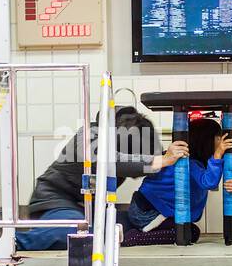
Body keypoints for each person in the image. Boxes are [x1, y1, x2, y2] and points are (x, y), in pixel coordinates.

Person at [17, 105, 186, 250]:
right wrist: (161, 160)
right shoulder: (87, 137)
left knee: (128, 225)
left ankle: (97, 232)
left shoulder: (131, 136)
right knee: (79, 232)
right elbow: (110, 160)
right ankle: (18, 241)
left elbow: (141, 164)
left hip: (91, 211)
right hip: (56, 203)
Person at [124, 116, 232, 242]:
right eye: (218, 137)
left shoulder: (182, 160)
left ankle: (133, 225)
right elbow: (209, 182)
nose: (221, 142)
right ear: (207, 141)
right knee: (189, 233)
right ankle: (135, 238)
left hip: (142, 208)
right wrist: (218, 154)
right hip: (148, 213)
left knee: (187, 229)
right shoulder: (189, 163)